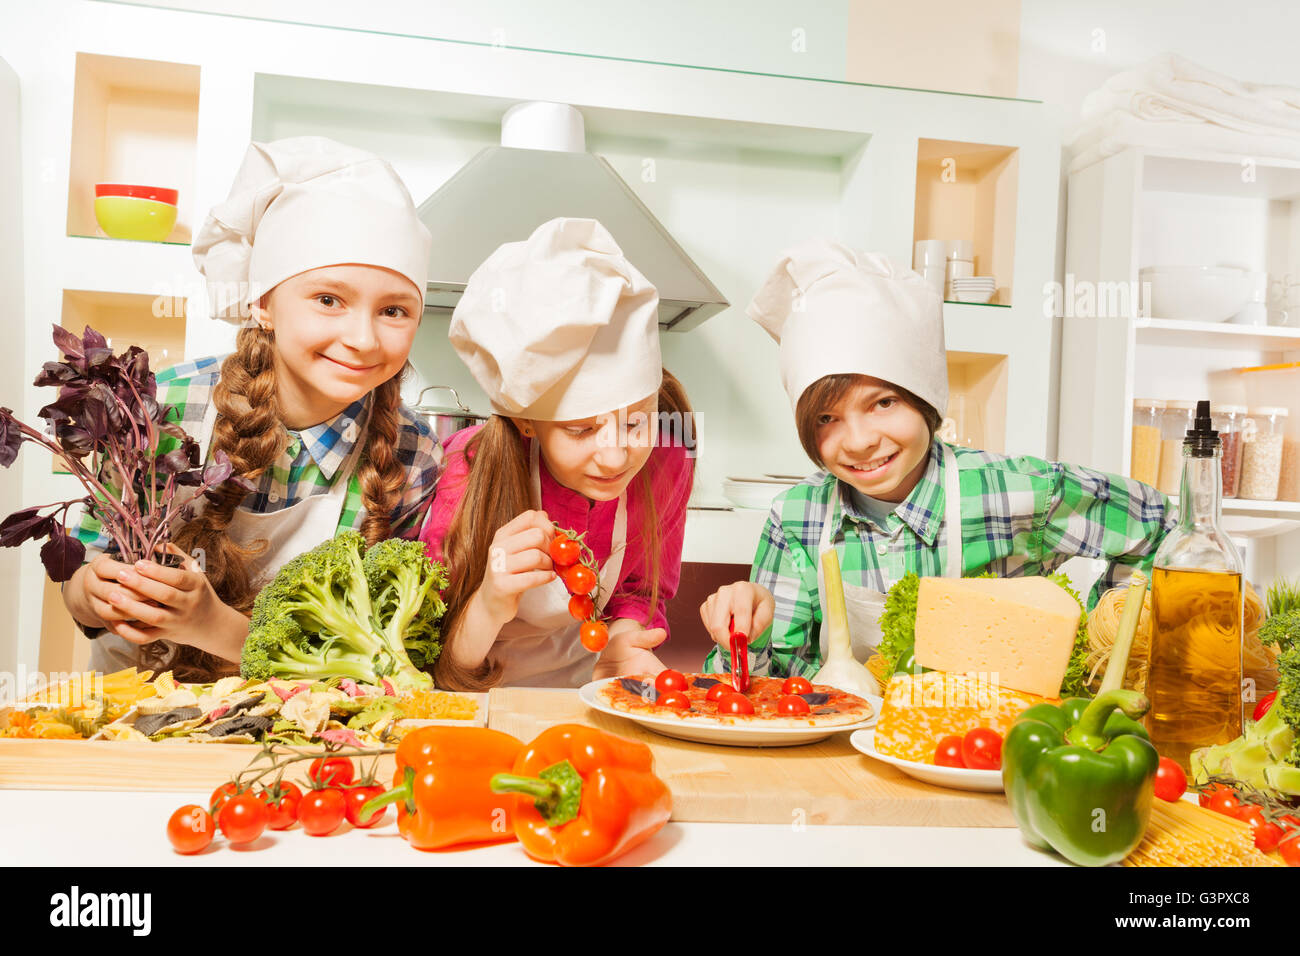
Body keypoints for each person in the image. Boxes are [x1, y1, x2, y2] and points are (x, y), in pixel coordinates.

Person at [698, 239, 1173, 679]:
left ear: (925, 400)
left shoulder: (1013, 492)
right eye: (827, 418)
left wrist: (1105, 651)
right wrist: (745, 640)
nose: (859, 441)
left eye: (883, 403)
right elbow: (768, 694)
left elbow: (1162, 528)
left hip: (986, 757)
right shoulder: (797, 517)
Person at [62, 136, 441, 680]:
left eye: (394, 310)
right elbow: (78, 589)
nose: (362, 338)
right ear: (262, 302)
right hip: (135, 713)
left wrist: (208, 624)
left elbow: (376, 659)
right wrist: (92, 590)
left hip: (304, 733)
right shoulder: (164, 405)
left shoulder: (414, 451)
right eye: (328, 299)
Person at [420, 217, 695, 690]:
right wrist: (488, 602)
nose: (614, 458)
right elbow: (425, 656)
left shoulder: (670, 454)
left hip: (588, 691)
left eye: (635, 422)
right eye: (581, 429)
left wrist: (625, 637)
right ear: (528, 423)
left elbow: (639, 589)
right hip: (472, 692)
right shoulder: (466, 470)